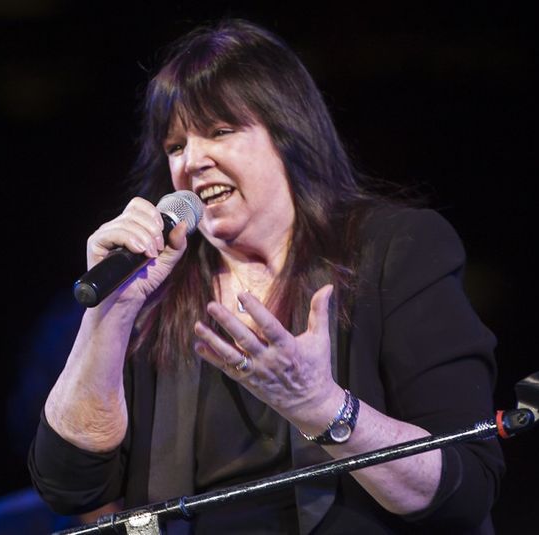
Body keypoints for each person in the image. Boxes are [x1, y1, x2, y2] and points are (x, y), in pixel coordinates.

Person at [28, 18, 505, 534]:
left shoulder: (396, 250)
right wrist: (112, 310)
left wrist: (319, 405)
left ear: (287, 134)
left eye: (220, 131)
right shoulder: (156, 289)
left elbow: (465, 489)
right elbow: (70, 485)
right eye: (175, 146)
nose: (193, 161)